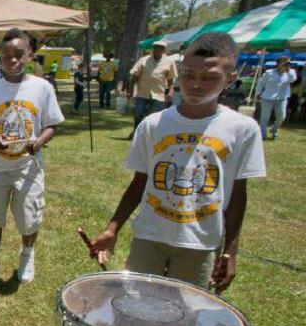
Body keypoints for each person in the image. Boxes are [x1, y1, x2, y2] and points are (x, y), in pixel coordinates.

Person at [88, 33, 266, 292]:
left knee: (185, 315)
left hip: (200, 243)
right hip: (150, 237)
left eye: (210, 78)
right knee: (136, 305)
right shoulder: (153, 125)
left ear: (230, 79)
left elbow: (238, 196)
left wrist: (231, 252)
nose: (196, 85)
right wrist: (112, 228)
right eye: (188, 74)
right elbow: (139, 183)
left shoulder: (243, 129)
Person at [0, 28, 64, 299]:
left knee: (29, 218)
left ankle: (27, 254)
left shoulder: (42, 87)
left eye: (18, 55)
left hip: (28, 167)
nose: (11, 60)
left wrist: (39, 141)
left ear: (30, 55)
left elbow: (51, 125)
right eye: (6, 56)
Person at [127, 40, 177, 138]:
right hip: (142, 93)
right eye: (156, 47)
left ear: (164, 50)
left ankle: (151, 136)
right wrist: (130, 90)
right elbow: (134, 77)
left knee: (154, 117)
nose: (157, 49)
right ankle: (136, 133)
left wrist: (170, 93)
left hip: (158, 94)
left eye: (160, 48)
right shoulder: (143, 60)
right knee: (138, 114)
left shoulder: (169, 62)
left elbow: (171, 80)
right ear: (153, 49)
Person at [254, 56, 297, 140]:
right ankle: (263, 134)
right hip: (267, 97)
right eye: (283, 62)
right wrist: (258, 93)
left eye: (287, 62)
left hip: (282, 97)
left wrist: (288, 71)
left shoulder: (290, 72)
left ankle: (274, 130)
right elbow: (261, 83)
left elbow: (293, 80)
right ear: (278, 63)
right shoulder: (269, 73)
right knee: (264, 117)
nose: (285, 64)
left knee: (282, 116)